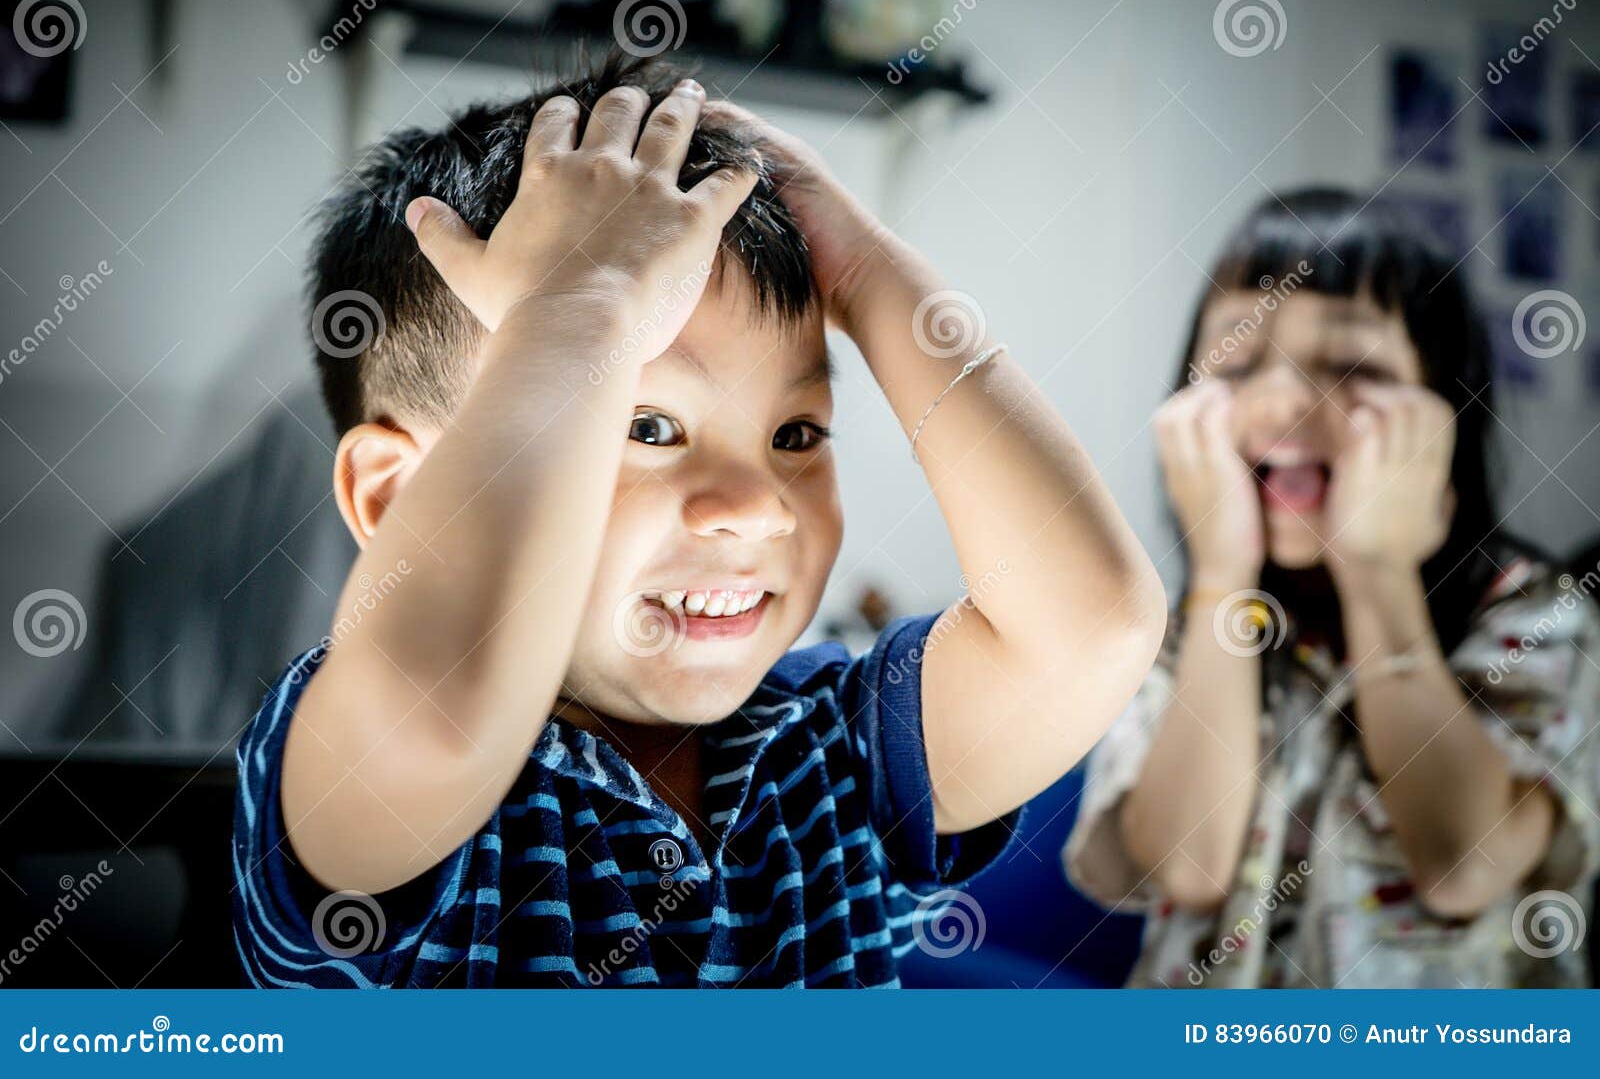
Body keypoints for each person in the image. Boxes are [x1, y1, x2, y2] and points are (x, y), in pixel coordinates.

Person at [232, 52, 1166, 987]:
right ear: (395, 499)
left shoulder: (833, 752)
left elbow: (1091, 626)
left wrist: (868, 266)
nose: (758, 507)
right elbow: (440, 719)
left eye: (797, 431)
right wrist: (576, 312)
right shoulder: (354, 750)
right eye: (643, 424)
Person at [1063, 189, 1600, 988]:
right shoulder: (1179, 631)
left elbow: (1464, 863)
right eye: (1239, 365)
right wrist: (1221, 578)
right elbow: (1186, 865)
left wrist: (1375, 569)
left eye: (1353, 369)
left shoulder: (1539, 613)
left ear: (1446, 415)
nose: (1282, 401)